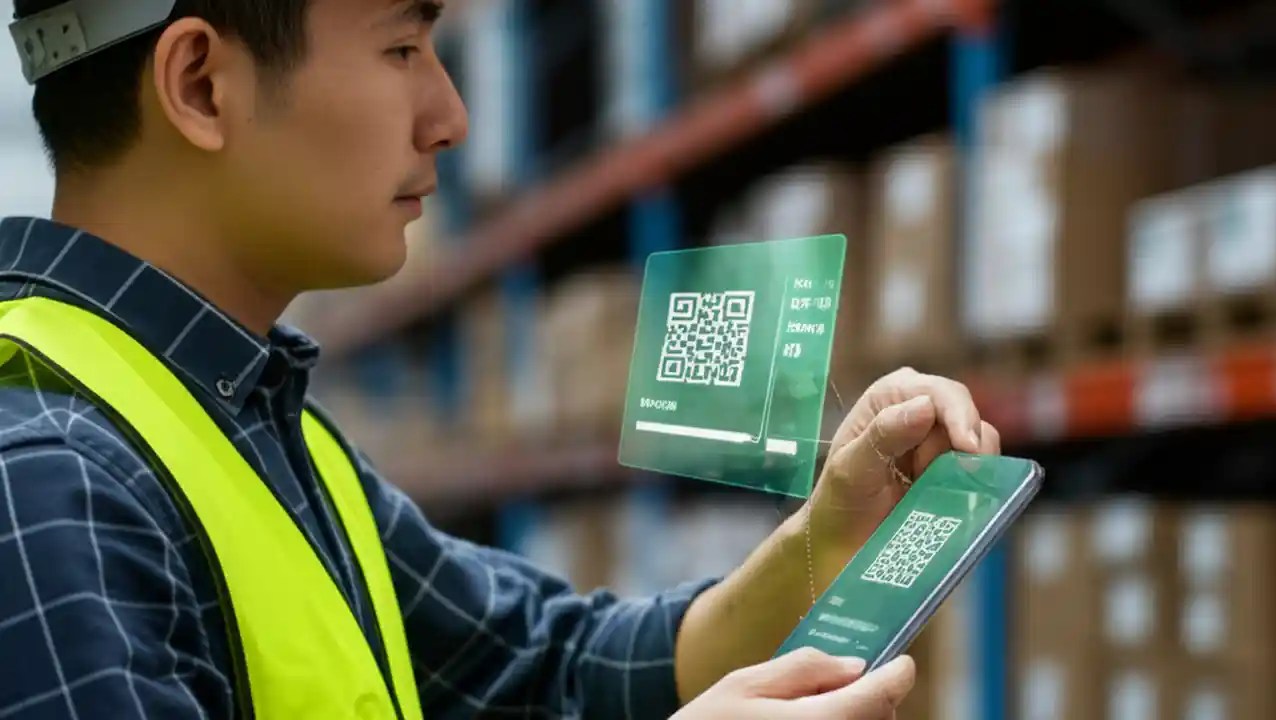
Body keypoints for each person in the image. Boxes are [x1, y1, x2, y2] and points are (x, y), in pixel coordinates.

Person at [0, 0, 1001, 718]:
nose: (450, 116)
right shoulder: (53, 479)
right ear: (201, 84)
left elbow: (546, 667)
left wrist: (822, 540)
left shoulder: (255, 425)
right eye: (401, 45)